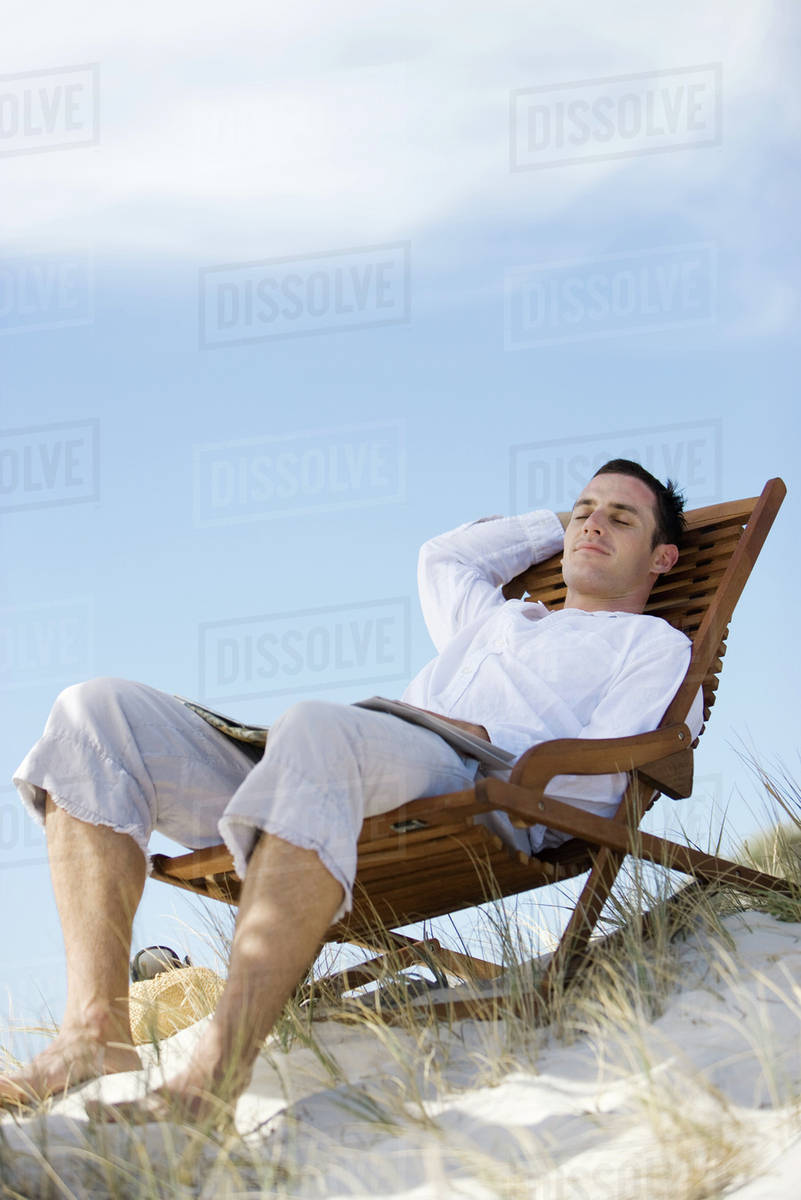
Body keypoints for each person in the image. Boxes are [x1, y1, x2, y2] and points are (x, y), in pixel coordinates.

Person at [1, 459, 703, 1124]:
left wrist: (486, 734)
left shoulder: (653, 647)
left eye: (619, 519)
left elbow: (606, 780)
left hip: (481, 780)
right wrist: (564, 521)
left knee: (316, 727)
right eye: (584, 511)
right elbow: (444, 557)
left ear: (662, 557)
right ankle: (94, 1031)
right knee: (94, 711)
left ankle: (214, 1073)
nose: (591, 526)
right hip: (342, 759)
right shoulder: (496, 618)